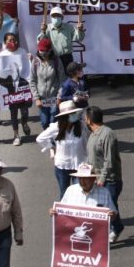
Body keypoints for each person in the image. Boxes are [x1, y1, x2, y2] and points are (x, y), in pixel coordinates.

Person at [84, 106, 124, 243]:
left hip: (110, 180)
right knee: (105, 206)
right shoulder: (92, 135)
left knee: (108, 207)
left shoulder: (108, 134)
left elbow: (109, 159)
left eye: (85, 117)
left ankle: (111, 230)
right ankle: (117, 227)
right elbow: (91, 158)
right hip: (96, 178)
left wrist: (102, 178)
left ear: (89, 119)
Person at [36, 100, 88, 199]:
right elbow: (40, 139)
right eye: (72, 114)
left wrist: (88, 161)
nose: (75, 116)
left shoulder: (81, 126)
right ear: (65, 117)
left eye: (75, 113)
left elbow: (85, 144)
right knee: (65, 194)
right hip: (62, 167)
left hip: (80, 166)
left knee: (80, 193)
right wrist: (51, 147)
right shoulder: (56, 127)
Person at [0, 32, 32, 146]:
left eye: (14, 40)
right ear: (5, 42)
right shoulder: (2, 55)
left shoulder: (22, 51)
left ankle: (24, 122)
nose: (13, 42)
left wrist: (30, 59)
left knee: (25, 111)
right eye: (10, 40)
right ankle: (16, 135)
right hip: (11, 94)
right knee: (13, 114)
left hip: (23, 89)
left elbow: (28, 69)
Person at [53, 162, 118, 217]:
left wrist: (112, 215)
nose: (82, 182)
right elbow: (61, 210)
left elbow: (113, 213)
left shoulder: (104, 192)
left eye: (85, 179)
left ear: (93, 179)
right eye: (80, 178)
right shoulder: (70, 190)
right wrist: (54, 211)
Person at [33, 37, 63, 129]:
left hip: (54, 97)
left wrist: (59, 96)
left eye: (46, 51)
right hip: (42, 99)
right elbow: (32, 81)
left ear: (50, 50)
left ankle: (54, 141)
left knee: (53, 122)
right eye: (41, 51)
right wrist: (36, 98)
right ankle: (47, 141)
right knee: (44, 122)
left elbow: (62, 80)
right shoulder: (35, 62)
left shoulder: (56, 61)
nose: (43, 53)